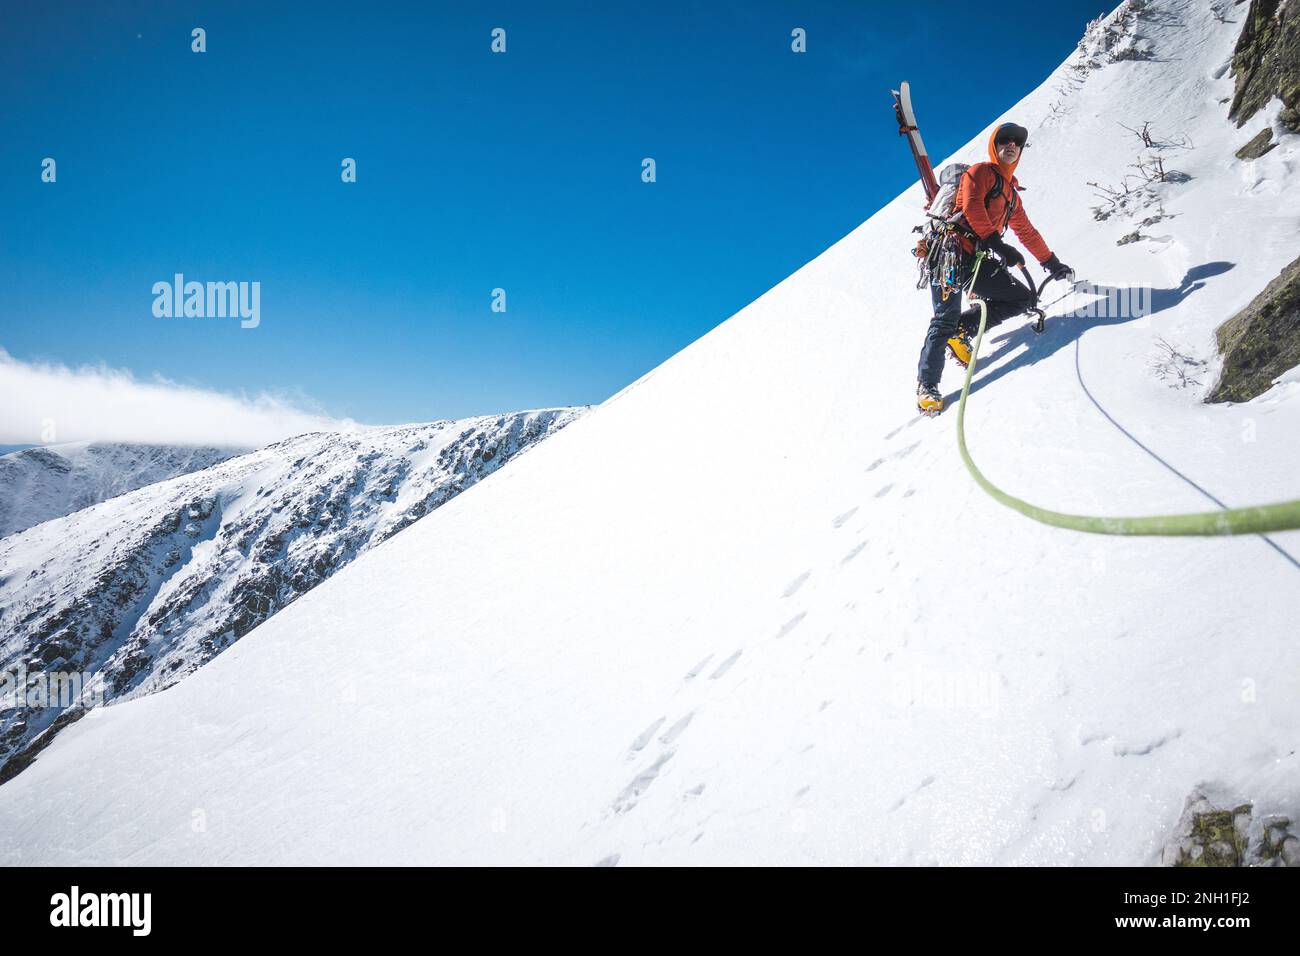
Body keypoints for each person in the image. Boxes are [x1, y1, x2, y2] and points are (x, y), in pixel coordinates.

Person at [915, 122, 1073, 414]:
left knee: (1022, 298)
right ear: (994, 146)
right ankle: (927, 386)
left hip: (975, 258)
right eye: (1004, 141)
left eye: (1017, 142)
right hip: (948, 254)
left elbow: (1026, 231)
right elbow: (973, 207)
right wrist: (997, 244)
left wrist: (1050, 262)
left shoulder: (1012, 195)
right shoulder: (980, 172)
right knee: (943, 318)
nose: (1011, 145)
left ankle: (963, 329)